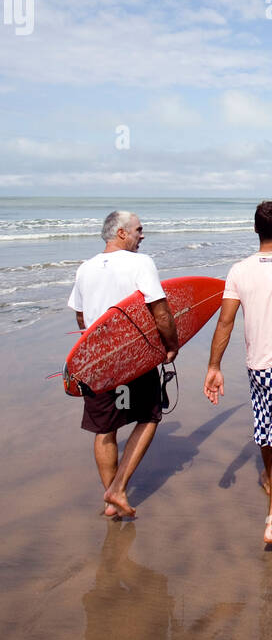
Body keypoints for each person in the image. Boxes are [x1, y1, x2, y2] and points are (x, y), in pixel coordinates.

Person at [203, 200, 272, 548]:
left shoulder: (239, 271)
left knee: (268, 433)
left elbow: (225, 321)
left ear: (255, 229)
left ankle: (269, 479)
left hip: (258, 367)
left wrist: (213, 366)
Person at [68, 211, 179, 519]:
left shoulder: (85, 268)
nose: (142, 235)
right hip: (133, 358)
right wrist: (171, 345)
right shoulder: (140, 263)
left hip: (97, 360)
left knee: (104, 429)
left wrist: (91, 350)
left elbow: (80, 317)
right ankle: (117, 489)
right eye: (138, 230)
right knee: (149, 416)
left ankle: (111, 502)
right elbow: (160, 309)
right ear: (120, 233)